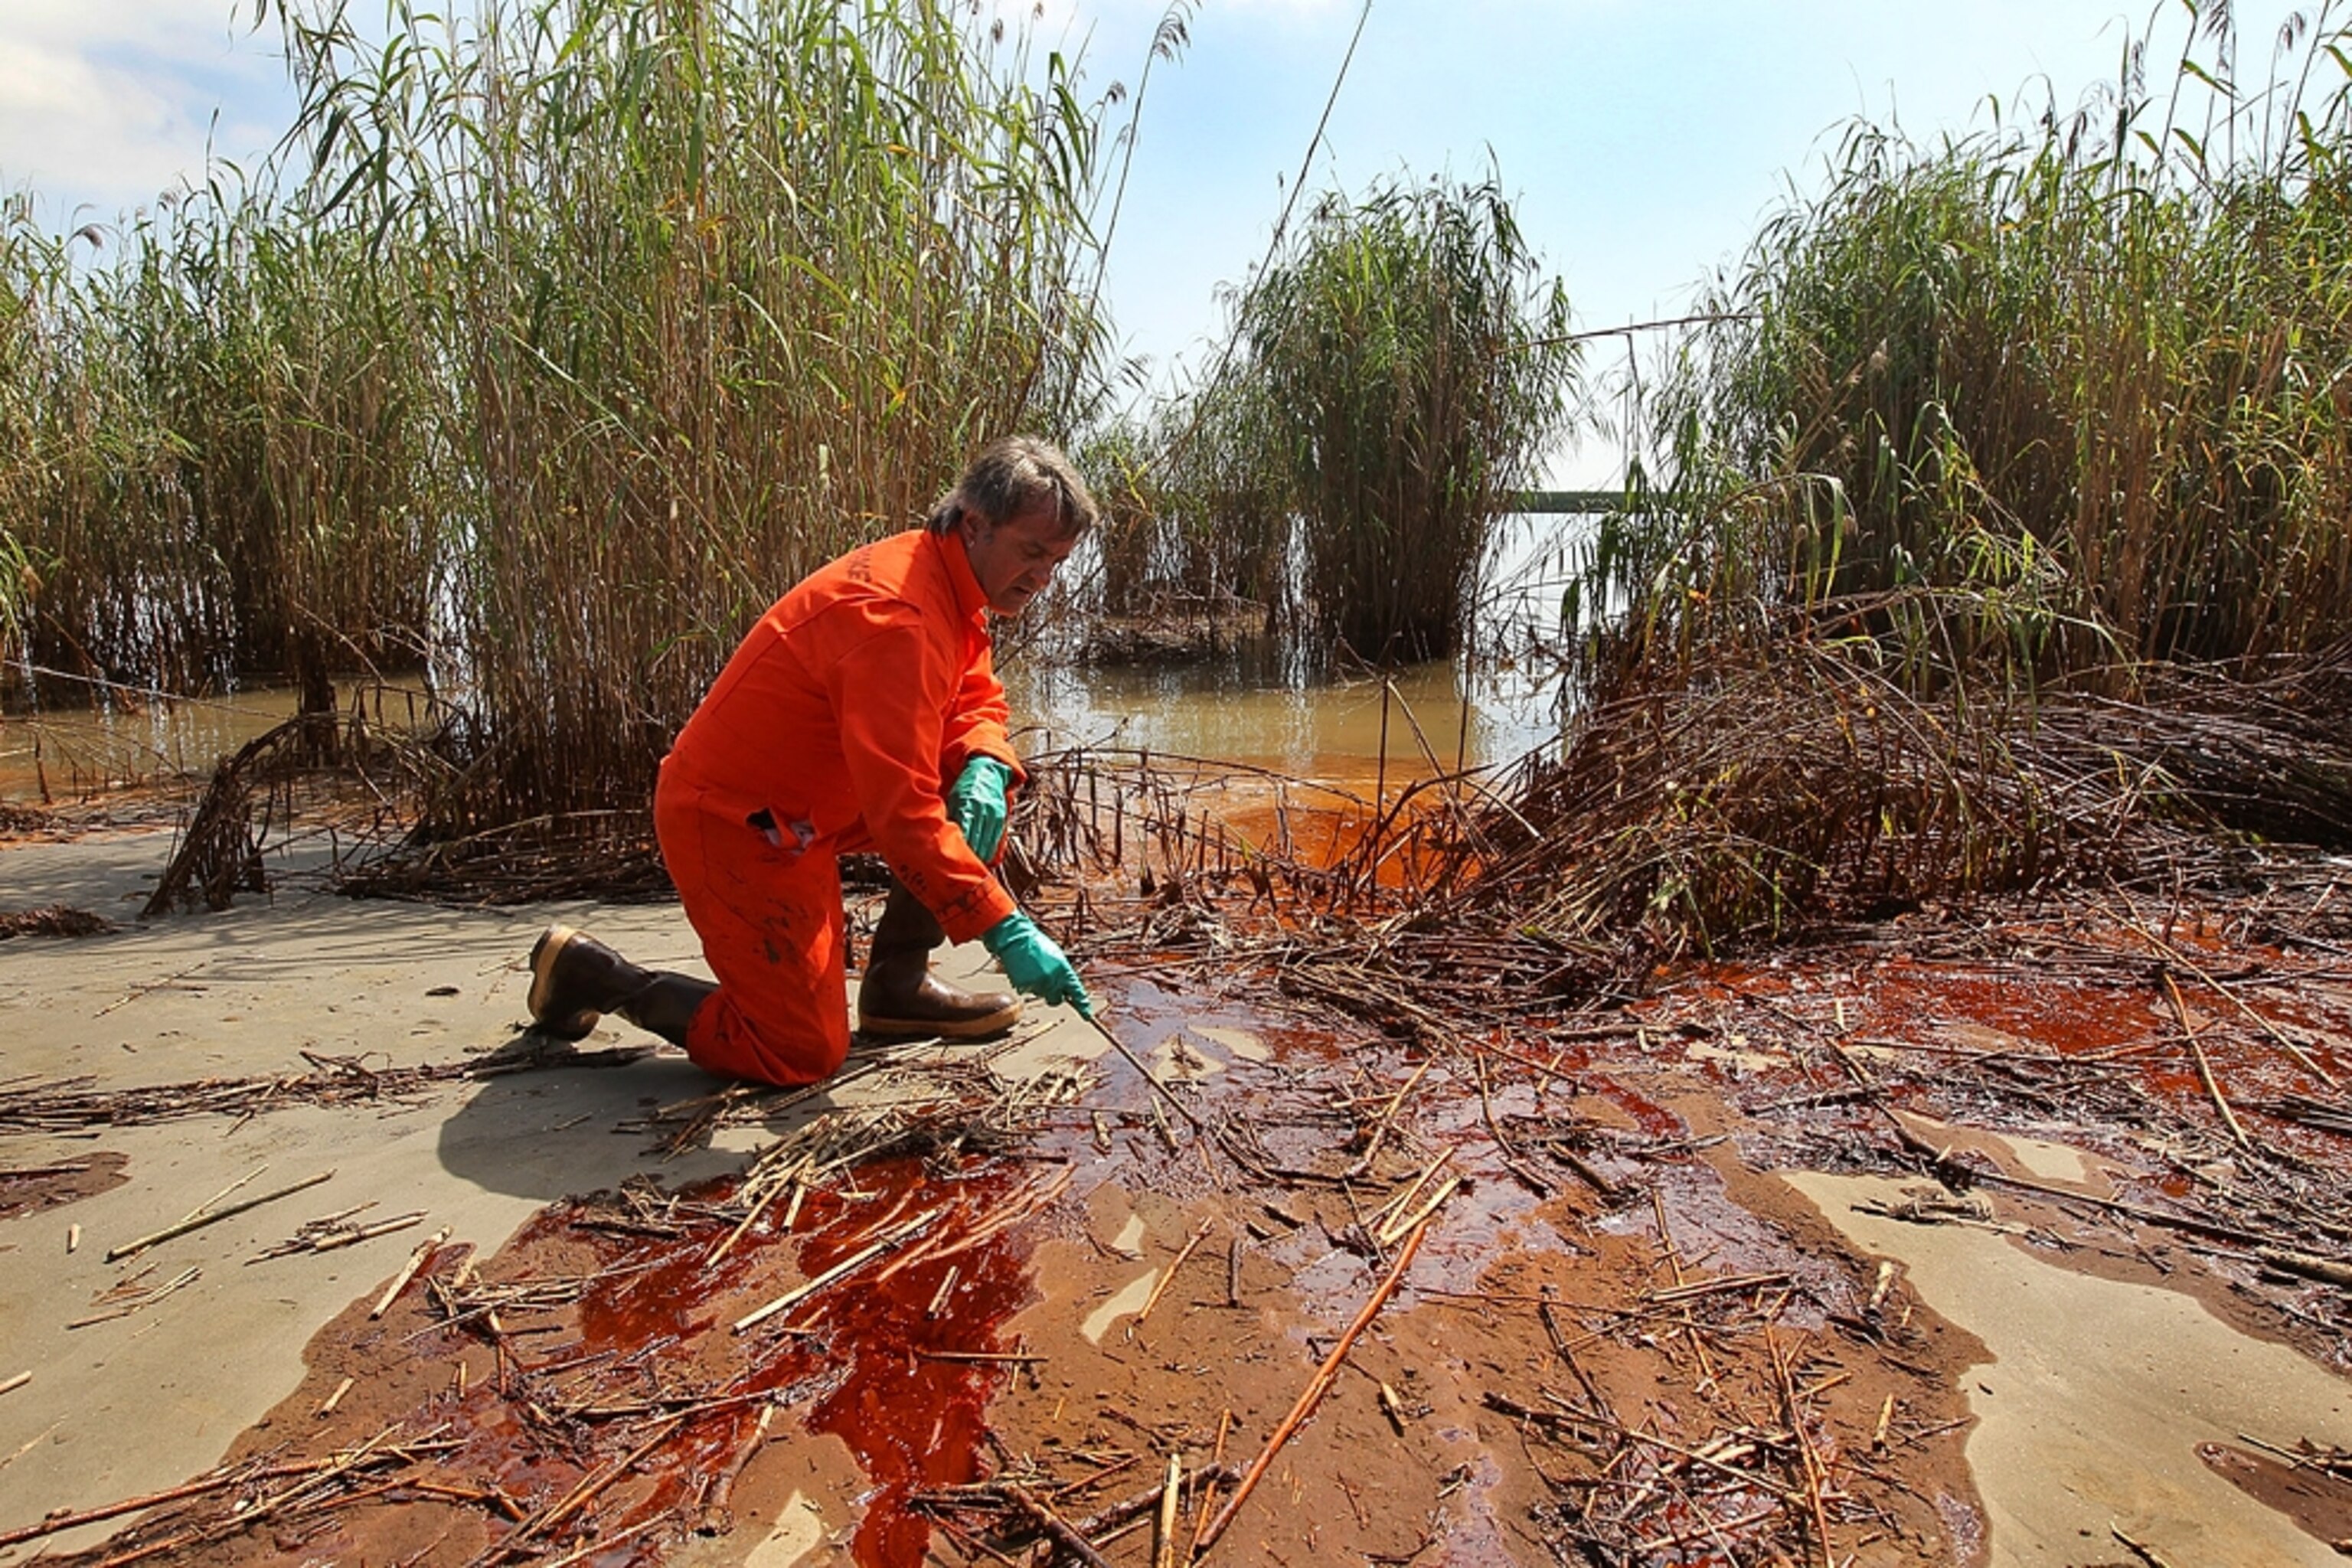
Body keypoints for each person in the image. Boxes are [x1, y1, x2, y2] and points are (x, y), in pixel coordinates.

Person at [521, 435, 1095, 1087]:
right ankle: (596, 976)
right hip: (739, 822)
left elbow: (973, 691)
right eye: (1033, 553)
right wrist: (1003, 927)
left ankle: (896, 990)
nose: (1043, 579)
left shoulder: (951, 581)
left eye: (1058, 561)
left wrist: (986, 762)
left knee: (968, 785)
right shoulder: (898, 616)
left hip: (815, 801)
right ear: (975, 524)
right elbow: (904, 815)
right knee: (800, 1053)